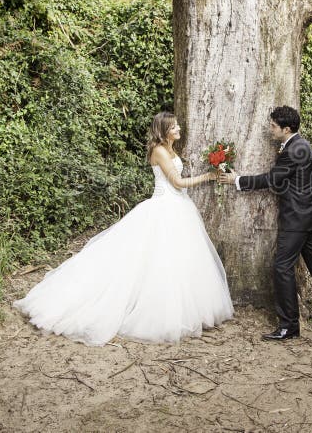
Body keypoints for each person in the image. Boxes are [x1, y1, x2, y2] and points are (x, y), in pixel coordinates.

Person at [14, 112, 234, 345]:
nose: (179, 129)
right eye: (174, 127)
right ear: (163, 131)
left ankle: (186, 309)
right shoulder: (159, 150)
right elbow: (177, 183)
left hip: (179, 208)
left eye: (177, 125)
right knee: (154, 262)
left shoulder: (170, 149)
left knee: (175, 262)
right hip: (164, 207)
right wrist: (209, 176)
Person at [219, 106, 312, 340]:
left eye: (273, 126)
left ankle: (289, 325)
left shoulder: (296, 150)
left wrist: (238, 180)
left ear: (286, 129)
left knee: (282, 268)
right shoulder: (298, 145)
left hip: (296, 219)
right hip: (307, 216)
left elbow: (273, 179)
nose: (270, 129)